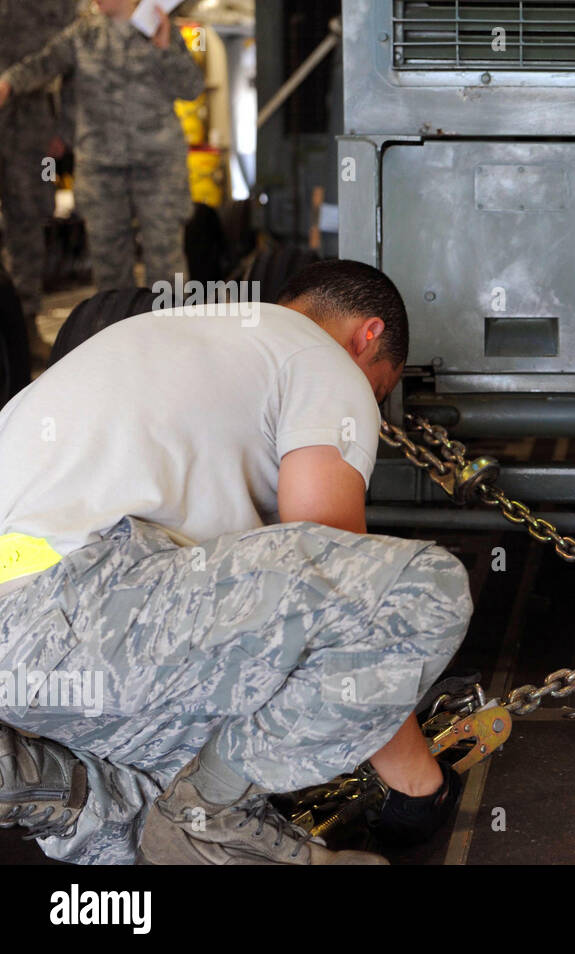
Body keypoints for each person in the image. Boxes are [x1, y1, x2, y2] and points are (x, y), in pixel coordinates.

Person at [0, 260, 471, 864]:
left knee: (163, 803)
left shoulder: (160, 336)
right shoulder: (319, 357)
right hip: (79, 604)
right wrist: (414, 782)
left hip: (43, 658)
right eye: (380, 390)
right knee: (423, 591)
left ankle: (56, 787)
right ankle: (213, 813)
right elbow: (341, 579)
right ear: (367, 337)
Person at [0, 0, 203, 294]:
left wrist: (166, 48)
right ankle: (116, 333)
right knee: (109, 265)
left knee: (165, 262)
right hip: (100, 167)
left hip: (157, 166)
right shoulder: (83, 33)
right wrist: (8, 83)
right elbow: (44, 64)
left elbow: (192, 87)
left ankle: (172, 334)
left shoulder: (158, 27)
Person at [0, 0, 80, 365]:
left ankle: (25, 326)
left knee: (30, 222)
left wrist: (62, 126)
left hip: (33, 128)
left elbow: (71, 60)